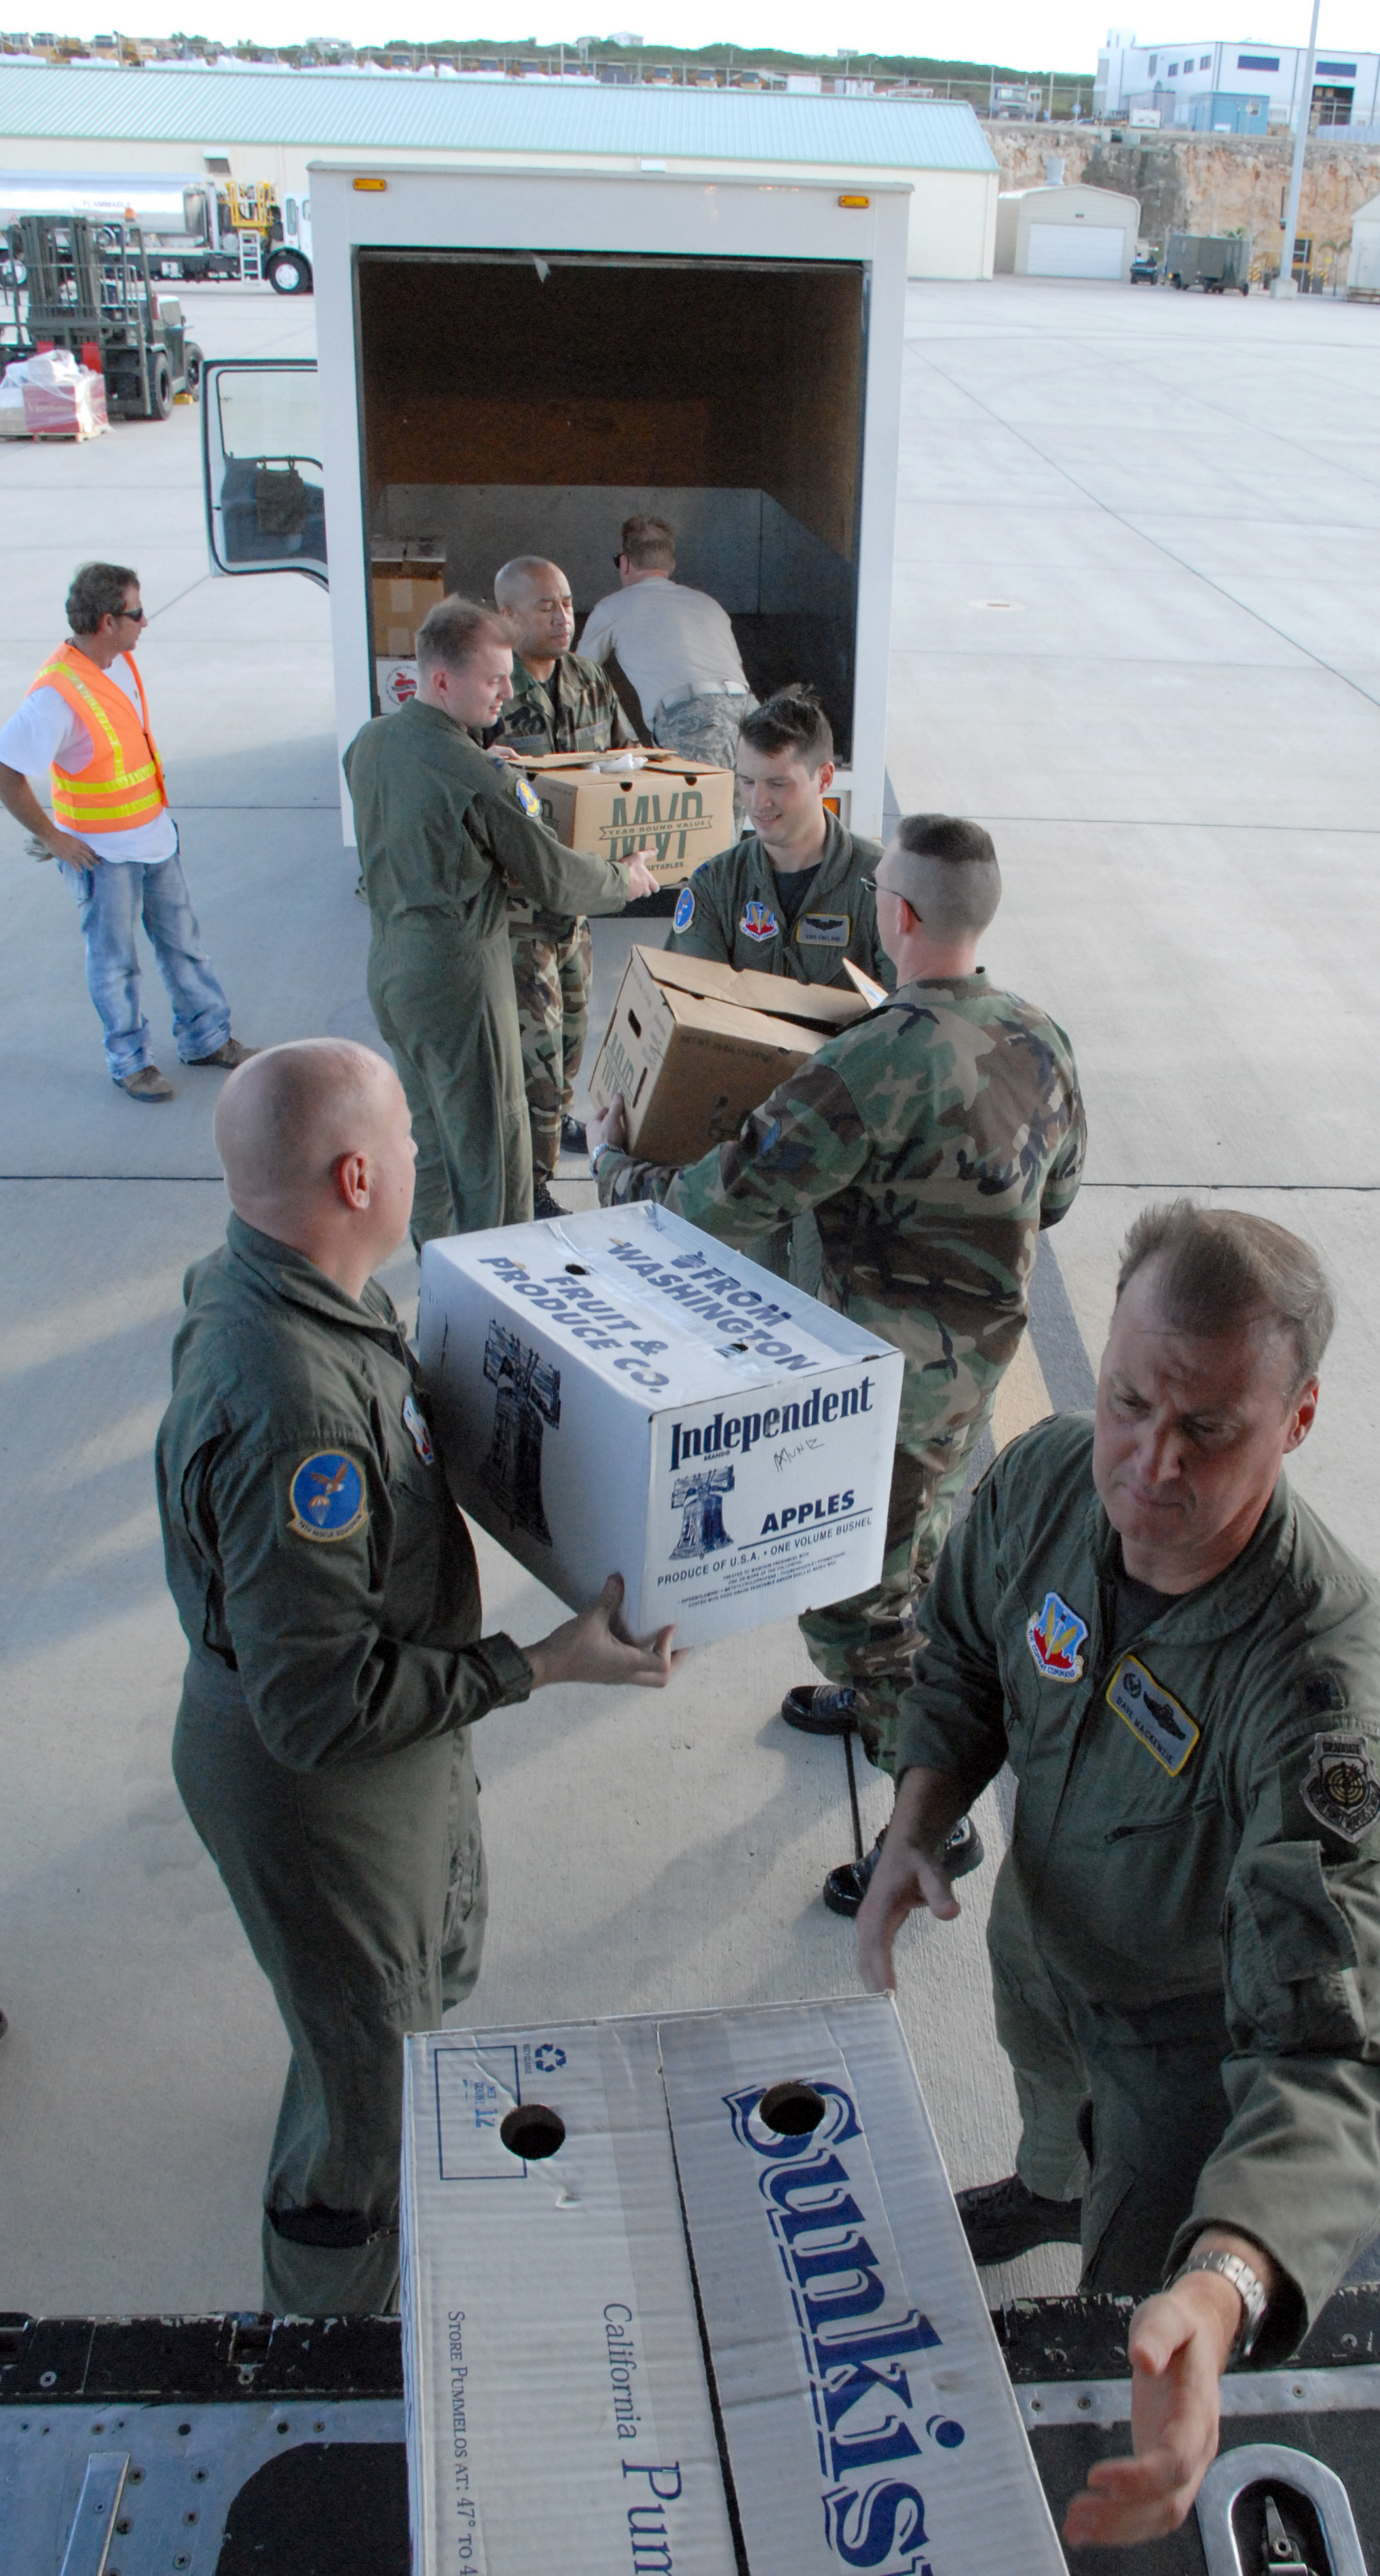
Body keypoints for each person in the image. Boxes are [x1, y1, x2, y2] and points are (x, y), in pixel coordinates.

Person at [856, 1203, 1380, 2552]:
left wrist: (1226, 2280)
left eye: (1208, 1430)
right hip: (1047, 1946)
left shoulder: (1315, 1679)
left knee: (1128, 2340)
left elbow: (1346, 2051)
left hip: (1187, 2058)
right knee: (1047, 2100)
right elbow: (962, 1656)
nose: (1149, 1463)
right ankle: (1053, 2182)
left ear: (1292, 1425)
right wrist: (917, 1821)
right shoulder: (1048, 1476)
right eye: (1127, 1401)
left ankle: (1123, 2256)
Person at [156, 1038, 683, 2314]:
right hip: (323, 1782)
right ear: (354, 1179)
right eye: (399, 1144)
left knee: (405, 1985)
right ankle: (319, 2331)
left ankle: (344, 2073)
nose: (415, 1160)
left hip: (374, 1746)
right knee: (369, 2098)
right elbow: (318, 1708)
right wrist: (540, 1663)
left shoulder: (280, 1287)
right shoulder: (303, 1417)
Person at [588, 815, 1085, 1909]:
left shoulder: (867, 1062)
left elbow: (718, 1204)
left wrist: (613, 1162)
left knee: (851, 1605)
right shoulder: (1041, 1037)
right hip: (970, 1375)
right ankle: (875, 1707)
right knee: (919, 1559)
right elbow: (1056, 1195)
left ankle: (928, 1823)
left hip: (879, 1391)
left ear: (894, 915)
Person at [342, 597, 657, 1247]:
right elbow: (555, 875)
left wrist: (477, 757)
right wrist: (623, 880)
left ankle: (437, 1258)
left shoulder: (371, 742)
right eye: (492, 679)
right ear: (441, 680)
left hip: (393, 970)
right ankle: (495, 1280)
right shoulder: (478, 775)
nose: (506, 691)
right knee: (495, 1152)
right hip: (460, 984)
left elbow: (416, 797)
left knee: (431, 1141)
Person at [0, 562, 254, 1103]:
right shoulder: (57, 695)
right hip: (103, 855)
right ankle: (131, 1062)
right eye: (138, 613)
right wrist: (52, 837)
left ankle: (206, 1038)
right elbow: (6, 768)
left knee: (183, 945)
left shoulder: (115, 663)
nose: (147, 621)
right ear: (107, 621)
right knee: (115, 961)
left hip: (154, 837)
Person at [493, 555, 639, 1202]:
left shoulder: (586, 678)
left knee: (573, 1038)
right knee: (536, 1061)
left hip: (576, 904)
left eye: (568, 602)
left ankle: (553, 1132)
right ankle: (535, 1184)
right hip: (519, 911)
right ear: (508, 616)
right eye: (546, 606)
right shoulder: (491, 687)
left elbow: (631, 759)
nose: (563, 617)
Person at [666, 686, 892, 990]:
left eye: (777, 784)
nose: (758, 802)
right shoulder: (715, 885)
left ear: (824, 778)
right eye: (747, 781)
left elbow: (909, 1010)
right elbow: (692, 1005)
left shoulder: (882, 885)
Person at [576, 515, 758, 796]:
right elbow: (737, 669)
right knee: (732, 825)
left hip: (696, 722)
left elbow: (578, 676)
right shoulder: (709, 605)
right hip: (751, 717)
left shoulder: (613, 608)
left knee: (697, 826)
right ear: (671, 565)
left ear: (624, 562)